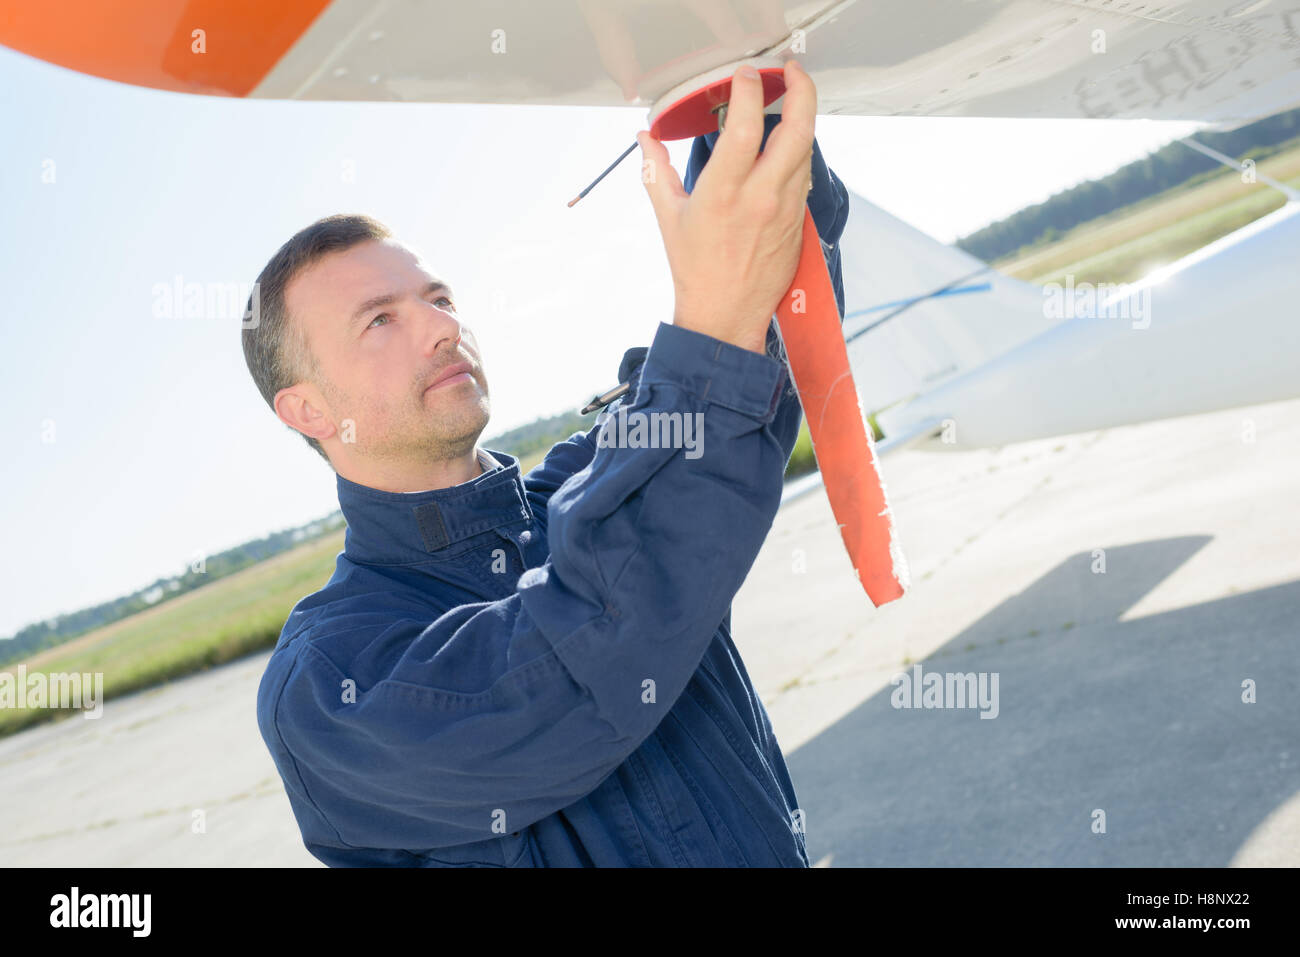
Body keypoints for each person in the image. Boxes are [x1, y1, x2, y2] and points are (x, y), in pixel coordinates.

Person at [248, 59, 849, 866]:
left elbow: (760, 367)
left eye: (438, 297)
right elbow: (573, 668)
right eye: (379, 321)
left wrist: (742, 109)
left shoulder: (588, 485)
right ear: (307, 410)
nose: (437, 327)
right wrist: (709, 330)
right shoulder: (327, 683)